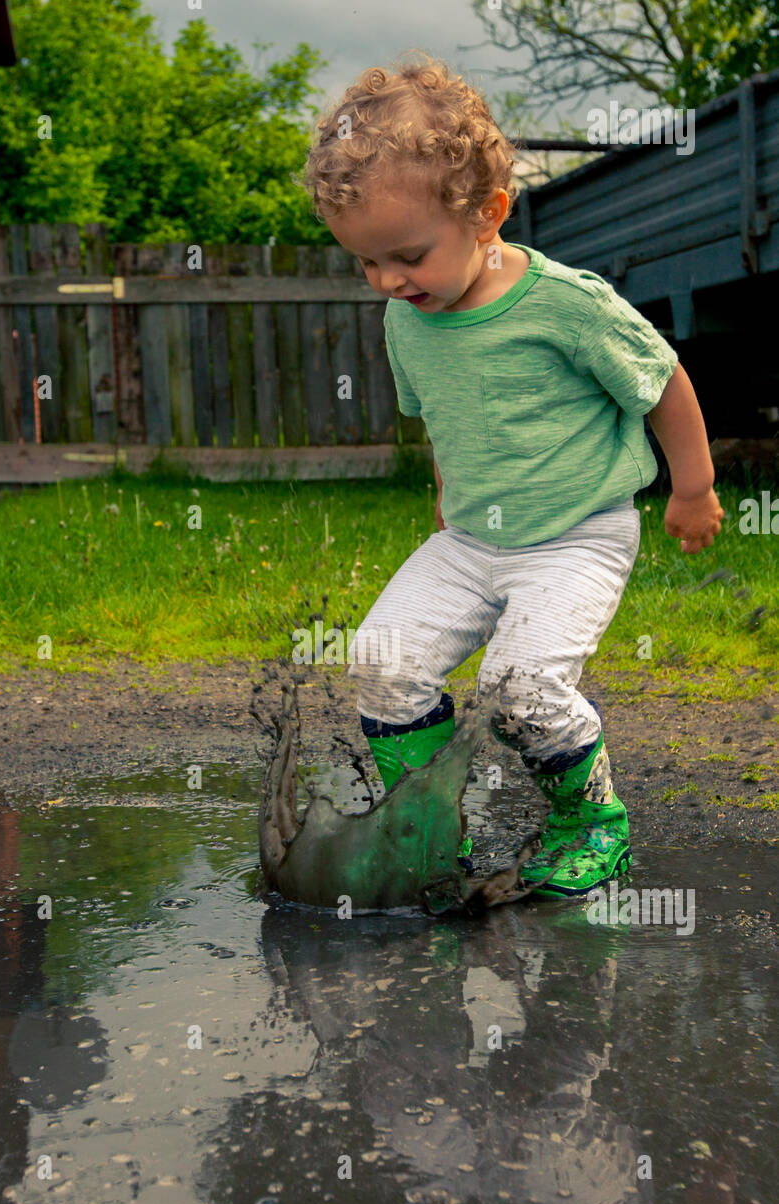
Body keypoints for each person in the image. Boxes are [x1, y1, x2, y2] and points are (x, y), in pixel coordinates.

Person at [299, 54, 723, 898]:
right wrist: (447, 505)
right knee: (383, 660)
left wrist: (694, 488)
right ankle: (427, 826)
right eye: (367, 264)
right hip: (469, 540)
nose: (387, 281)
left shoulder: (567, 305)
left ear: (488, 213)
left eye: (407, 256)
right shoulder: (407, 321)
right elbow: (450, 426)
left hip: (577, 533)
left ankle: (591, 823)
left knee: (521, 687)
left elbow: (662, 380)